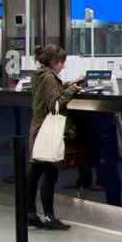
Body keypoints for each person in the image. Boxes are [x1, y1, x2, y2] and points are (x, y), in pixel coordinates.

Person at [26, 45, 85, 230]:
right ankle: (49, 217)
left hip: (38, 129)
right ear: (54, 62)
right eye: (62, 63)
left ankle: (29, 212)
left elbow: (49, 94)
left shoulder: (39, 74)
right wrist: (72, 91)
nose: (63, 67)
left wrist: (69, 85)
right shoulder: (49, 78)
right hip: (48, 131)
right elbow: (55, 105)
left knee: (35, 172)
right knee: (50, 173)